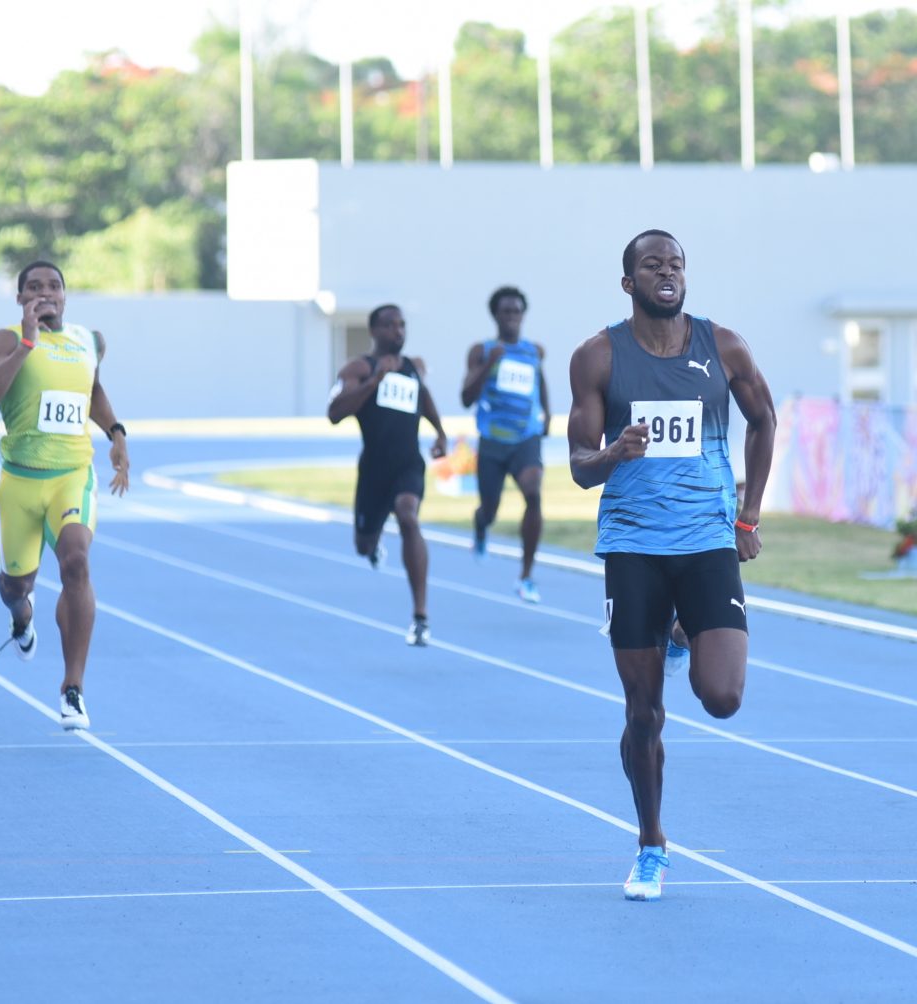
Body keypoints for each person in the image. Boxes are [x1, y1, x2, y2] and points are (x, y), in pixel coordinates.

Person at [567, 230, 776, 901]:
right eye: (652, 264)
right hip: (633, 547)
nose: (667, 272)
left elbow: (764, 420)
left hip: (707, 542)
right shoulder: (598, 356)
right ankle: (651, 844)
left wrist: (747, 516)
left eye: (676, 264)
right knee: (643, 714)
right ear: (628, 283)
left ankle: (683, 630)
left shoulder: (725, 346)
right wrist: (613, 454)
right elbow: (579, 466)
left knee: (723, 697)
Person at [0, 260, 130, 731]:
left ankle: (72, 688)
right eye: (34, 287)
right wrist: (27, 343)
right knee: (14, 588)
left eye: (54, 286)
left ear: (64, 295)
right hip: (19, 483)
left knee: (76, 561)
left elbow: (92, 389)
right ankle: (22, 619)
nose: (45, 292)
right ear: (20, 298)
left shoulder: (89, 341)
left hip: (71, 476)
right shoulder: (3, 340)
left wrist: (116, 432)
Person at [328, 304, 448, 646]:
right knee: (363, 544)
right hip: (374, 471)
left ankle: (420, 617)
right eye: (390, 325)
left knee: (408, 516)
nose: (398, 331)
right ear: (374, 331)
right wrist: (374, 381)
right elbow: (335, 412)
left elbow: (423, 397)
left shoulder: (414, 367)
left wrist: (440, 432)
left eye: (402, 325)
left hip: (408, 463)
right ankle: (373, 543)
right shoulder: (358, 368)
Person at [461, 286, 551, 603]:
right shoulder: (481, 350)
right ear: (496, 316)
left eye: (517, 311)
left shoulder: (534, 351)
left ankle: (526, 576)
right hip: (493, 440)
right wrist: (489, 364)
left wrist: (547, 415)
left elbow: (539, 382)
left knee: (533, 494)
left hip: (526, 438)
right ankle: (481, 524)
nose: (512, 317)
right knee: (490, 509)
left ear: (523, 315)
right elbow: (466, 397)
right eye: (506, 312)